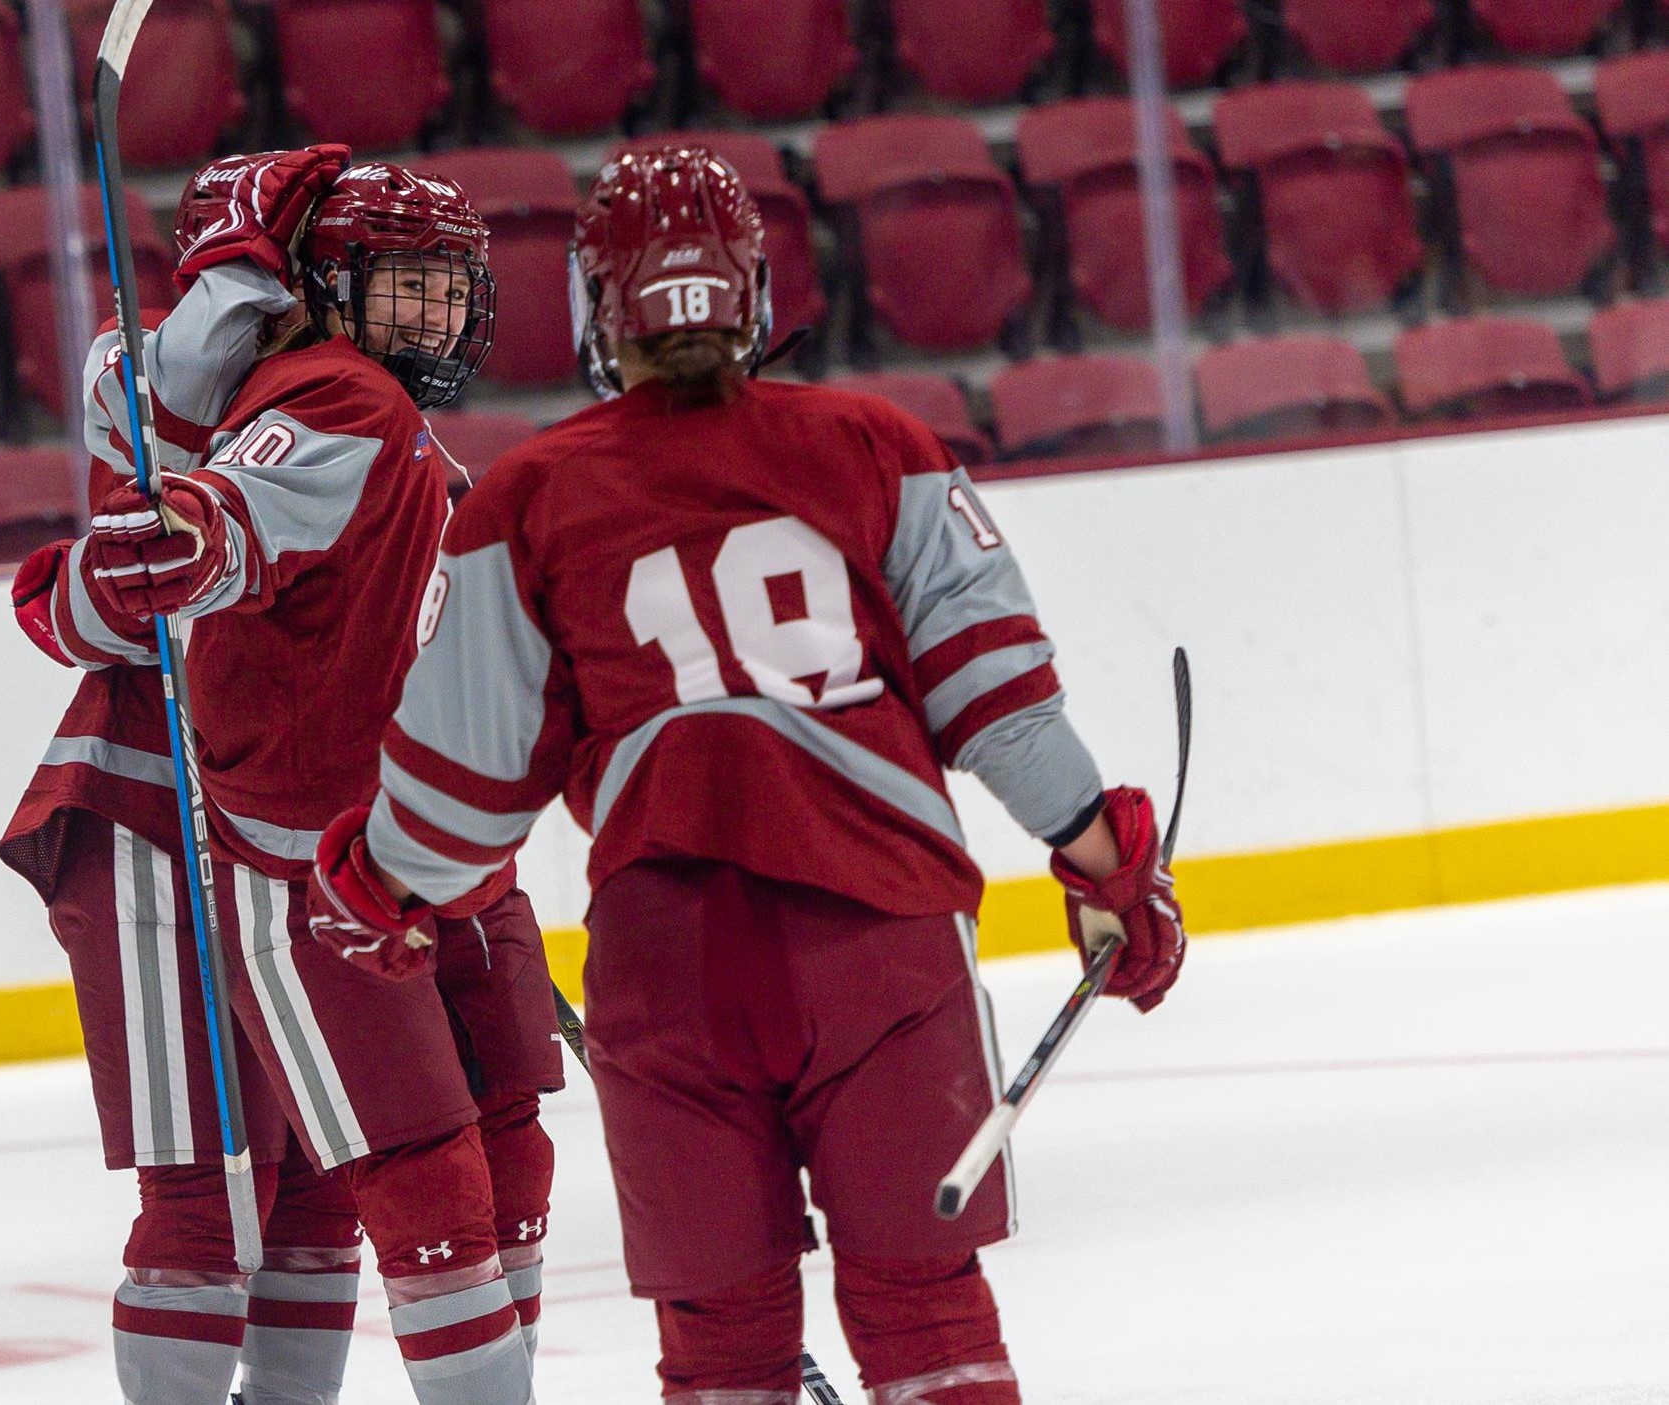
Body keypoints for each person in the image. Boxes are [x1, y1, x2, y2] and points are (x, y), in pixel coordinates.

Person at [301, 146, 1187, 1405]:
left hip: (675, 970)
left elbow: (454, 804)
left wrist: (376, 890)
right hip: (884, 949)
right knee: (926, 1310)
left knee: (723, 1344)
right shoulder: (880, 445)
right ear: (750, 289)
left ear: (598, 302)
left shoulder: (523, 499)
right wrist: (1111, 866)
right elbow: (1003, 707)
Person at [2, 151, 563, 1405]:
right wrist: (151, 554)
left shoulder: (347, 409)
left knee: (329, 1177)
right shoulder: (263, 396)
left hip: (349, 841)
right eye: (400, 284)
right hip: (169, 820)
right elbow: (163, 533)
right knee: (214, 1186)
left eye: (441, 288)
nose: (437, 316)